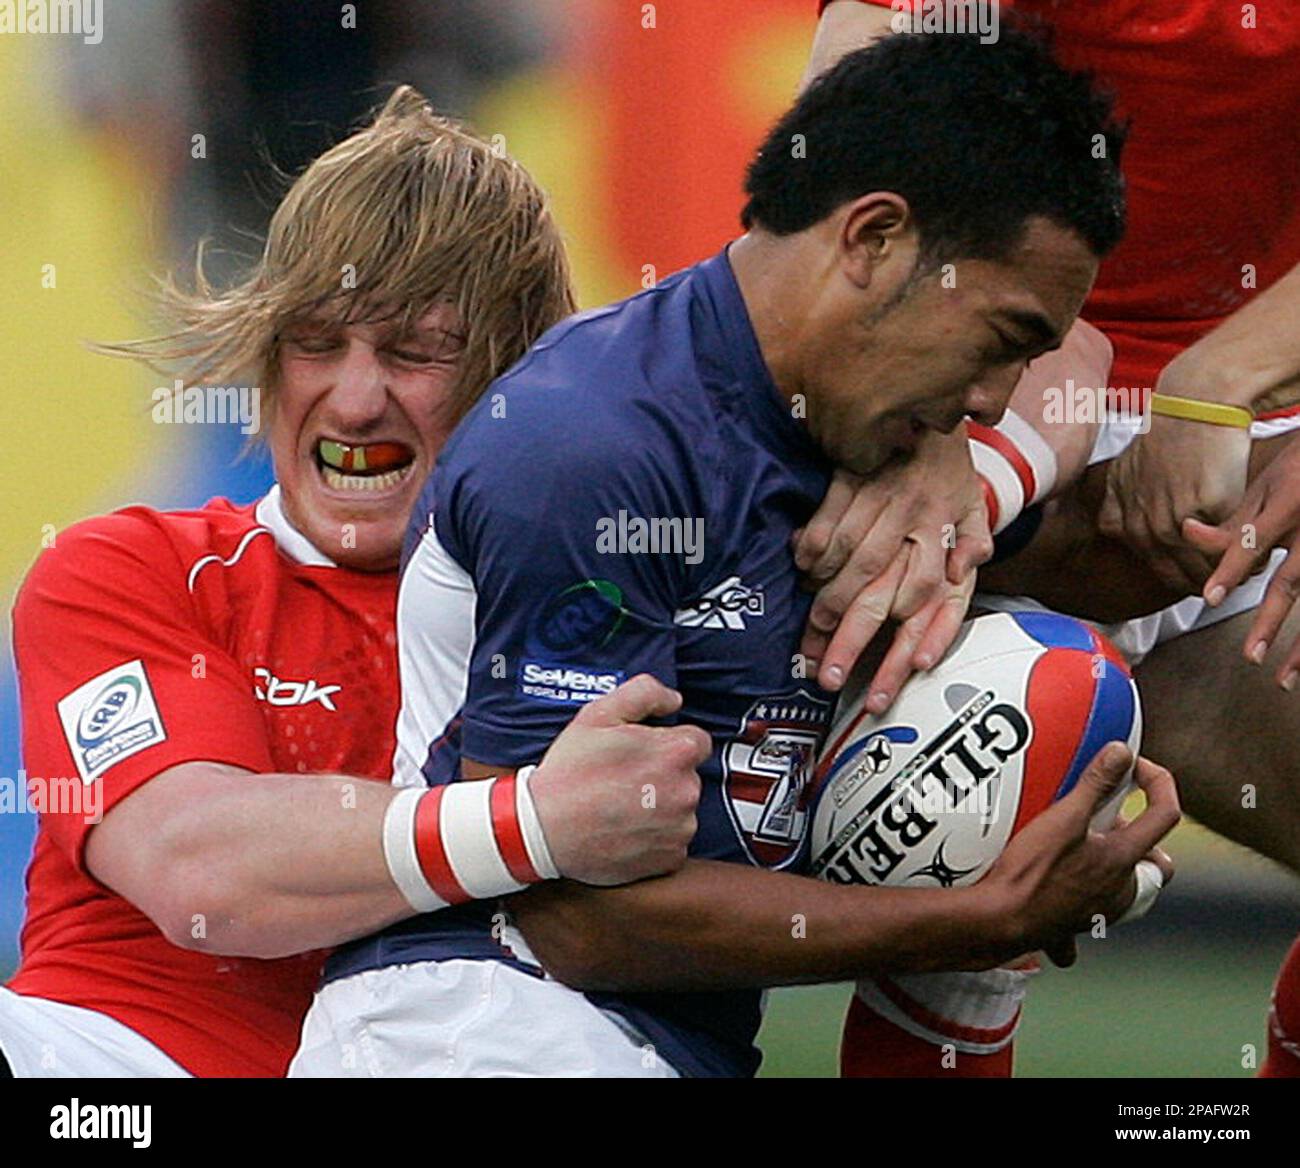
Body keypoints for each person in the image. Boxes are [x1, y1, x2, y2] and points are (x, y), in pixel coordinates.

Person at [287, 28, 1178, 1080]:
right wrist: (976, 918)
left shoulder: (872, 443)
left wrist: (988, 476)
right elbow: (578, 919)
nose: (988, 399)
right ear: (874, 239)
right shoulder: (594, 438)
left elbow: (1103, 414)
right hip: (481, 1024)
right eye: (997, 340)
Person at [0, 87, 708, 1078]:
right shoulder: (131, 567)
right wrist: (537, 819)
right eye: (317, 343)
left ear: (520, 377)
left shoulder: (606, 601)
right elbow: (199, 871)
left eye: (417, 352)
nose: (357, 397)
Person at [805, 0, 1300, 1078]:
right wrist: (928, 404)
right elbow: (862, 98)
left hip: (1254, 442)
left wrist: (1219, 383)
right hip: (1010, 395)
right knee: (971, 889)